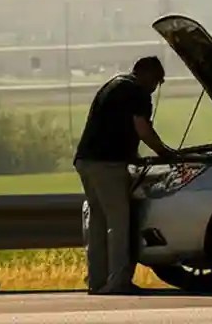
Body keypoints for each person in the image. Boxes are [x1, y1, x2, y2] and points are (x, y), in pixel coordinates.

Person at [73, 55, 174, 295]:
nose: (155, 87)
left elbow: (116, 128)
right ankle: (118, 281)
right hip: (107, 165)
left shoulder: (114, 85)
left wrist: (133, 155)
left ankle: (97, 282)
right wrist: (165, 153)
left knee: (98, 222)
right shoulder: (137, 93)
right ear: (146, 74)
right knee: (120, 223)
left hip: (86, 161)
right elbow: (142, 128)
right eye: (156, 80)